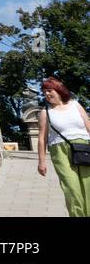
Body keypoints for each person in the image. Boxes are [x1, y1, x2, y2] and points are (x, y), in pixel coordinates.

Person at [37, 77, 90, 216]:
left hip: (84, 148)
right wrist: (41, 162)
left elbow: (88, 126)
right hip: (60, 151)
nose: (47, 94)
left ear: (59, 89)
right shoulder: (45, 112)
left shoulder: (75, 105)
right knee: (72, 188)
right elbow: (42, 138)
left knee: (88, 187)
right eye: (44, 92)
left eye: (49, 90)